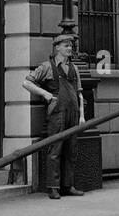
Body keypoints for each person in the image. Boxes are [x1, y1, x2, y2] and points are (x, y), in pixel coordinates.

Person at [23, 34, 85, 199]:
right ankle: (53, 187)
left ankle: (68, 185)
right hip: (57, 113)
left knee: (71, 150)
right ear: (57, 47)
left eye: (70, 45)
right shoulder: (47, 67)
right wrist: (45, 93)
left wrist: (82, 116)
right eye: (66, 45)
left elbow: (80, 94)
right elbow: (27, 83)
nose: (69, 48)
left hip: (73, 113)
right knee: (55, 150)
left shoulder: (74, 68)